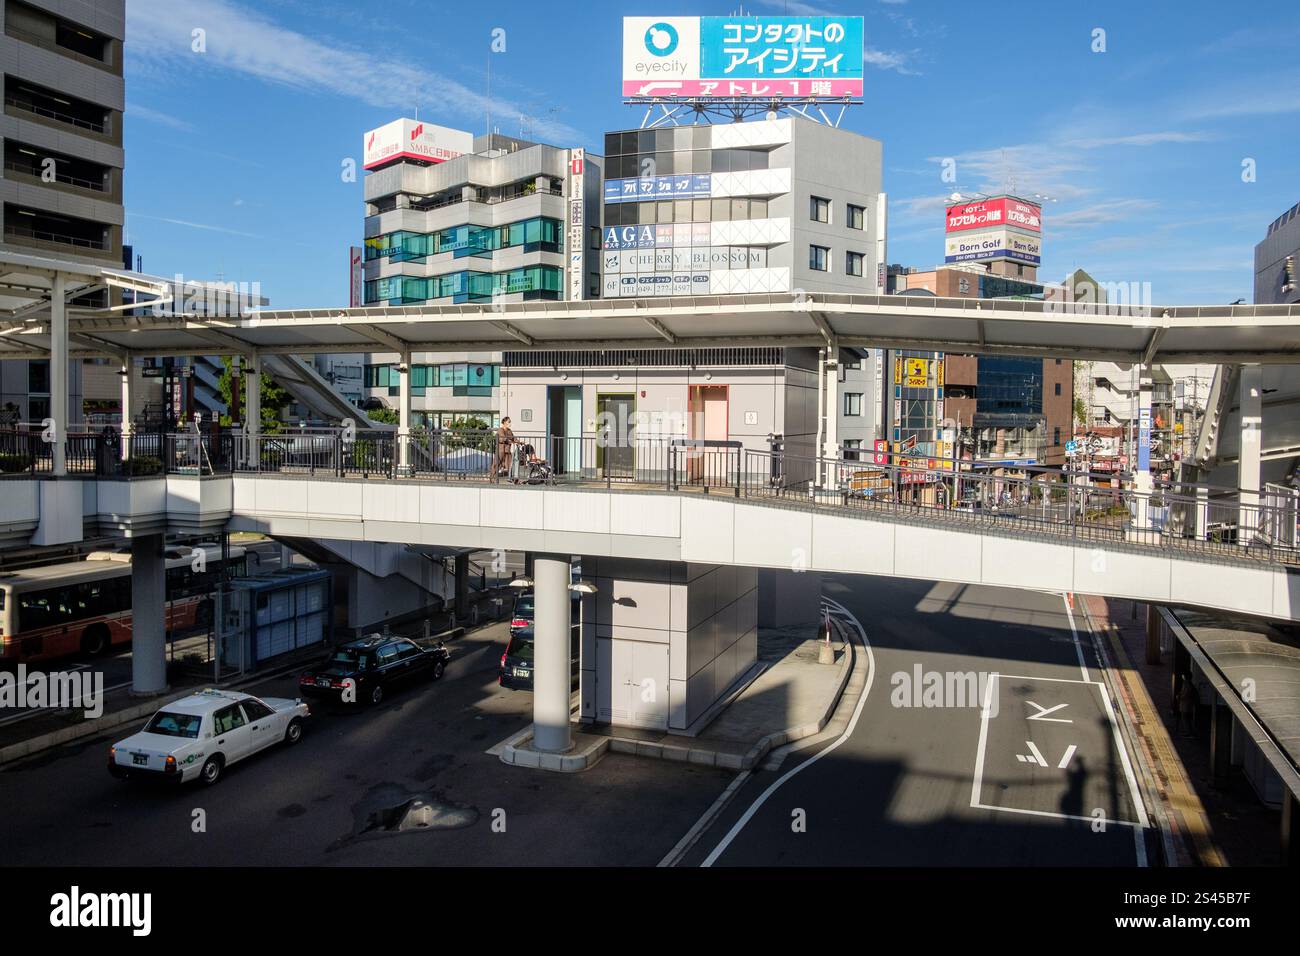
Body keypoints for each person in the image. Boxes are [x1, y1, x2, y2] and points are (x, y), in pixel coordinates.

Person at [495, 416, 515, 482]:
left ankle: (510, 478)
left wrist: (519, 442)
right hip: (501, 450)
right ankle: (492, 478)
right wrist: (508, 440)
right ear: (504, 422)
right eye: (509, 422)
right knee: (496, 464)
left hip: (507, 450)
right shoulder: (500, 430)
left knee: (510, 465)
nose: (510, 423)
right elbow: (502, 438)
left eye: (510, 422)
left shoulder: (509, 431)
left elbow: (513, 438)